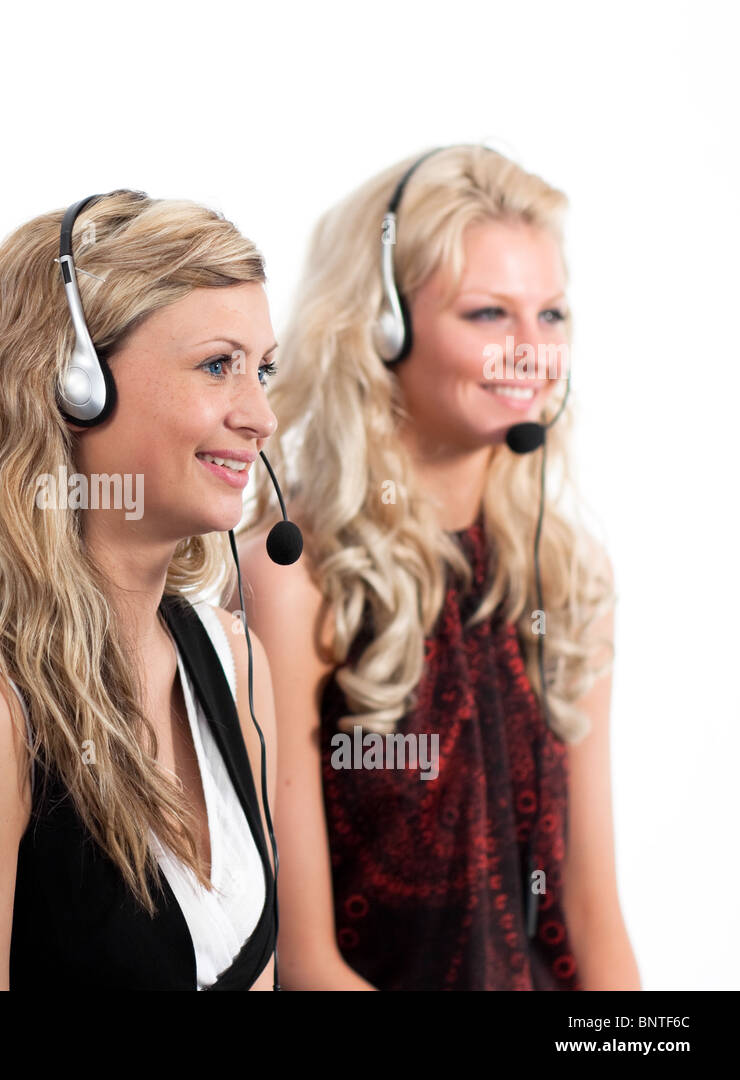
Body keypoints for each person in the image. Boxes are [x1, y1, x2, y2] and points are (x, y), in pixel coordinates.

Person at [238, 146, 640, 990]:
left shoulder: (568, 577)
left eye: (552, 315)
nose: (531, 351)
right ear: (384, 325)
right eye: (490, 314)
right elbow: (303, 965)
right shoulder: (295, 572)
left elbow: (595, 924)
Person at [0, 190, 279, 989]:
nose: (260, 414)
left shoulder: (232, 661)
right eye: (218, 365)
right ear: (71, 386)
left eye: (264, 370)